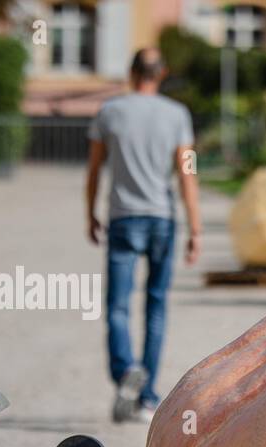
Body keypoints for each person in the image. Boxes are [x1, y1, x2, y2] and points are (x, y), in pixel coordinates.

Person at [85, 48, 201, 423]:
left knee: (118, 305)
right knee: (156, 305)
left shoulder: (110, 112)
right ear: (162, 73)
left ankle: (125, 372)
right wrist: (195, 227)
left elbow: (94, 169)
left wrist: (90, 212)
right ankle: (147, 397)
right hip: (161, 220)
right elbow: (187, 173)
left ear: (131, 71)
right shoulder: (177, 115)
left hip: (123, 218)